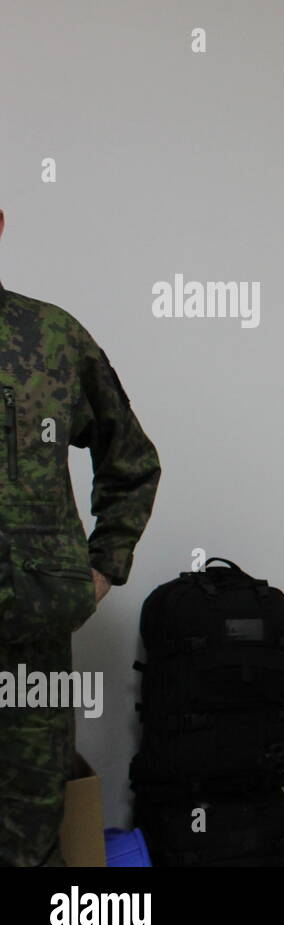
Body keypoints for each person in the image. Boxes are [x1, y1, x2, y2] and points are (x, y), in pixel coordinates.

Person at [0, 208, 161, 866]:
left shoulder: (50, 338)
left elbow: (132, 461)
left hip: (29, 654)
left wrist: (102, 567)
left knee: (29, 834)